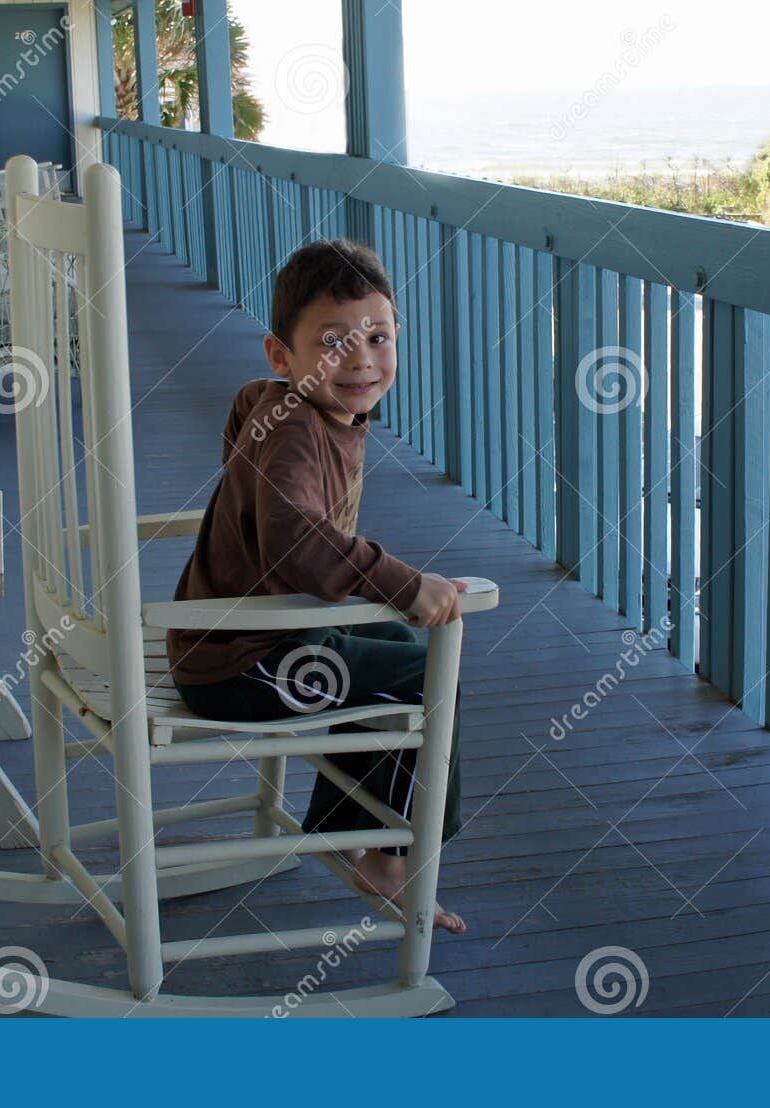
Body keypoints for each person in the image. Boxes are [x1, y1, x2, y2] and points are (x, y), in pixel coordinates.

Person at [168, 237, 468, 934]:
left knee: (390, 647)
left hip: (239, 637)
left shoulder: (279, 404)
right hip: (242, 665)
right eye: (334, 343)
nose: (362, 359)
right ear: (284, 356)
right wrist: (401, 580)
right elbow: (296, 542)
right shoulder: (301, 433)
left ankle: (346, 827)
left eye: (378, 336)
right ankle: (396, 855)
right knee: (431, 671)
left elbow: (245, 409)